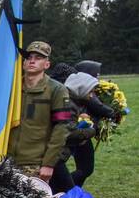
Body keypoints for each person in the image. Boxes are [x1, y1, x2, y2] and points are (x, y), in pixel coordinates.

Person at [7, 41, 74, 188]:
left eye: (38, 57)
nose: (32, 60)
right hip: (6, 161)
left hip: (35, 164)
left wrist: (49, 163)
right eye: (28, 57)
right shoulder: (11, 88)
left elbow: (62, 128)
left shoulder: (56, 90)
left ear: (47, 64)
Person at [61, 69, 122, 188]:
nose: (91, 96)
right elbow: (68, 132)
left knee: (81, 172)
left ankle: (71, 194)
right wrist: (93, 129)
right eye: (90, 92)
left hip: (66, 147)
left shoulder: (75, 101)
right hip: (58, 151)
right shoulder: (68, 104)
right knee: (67, 181)